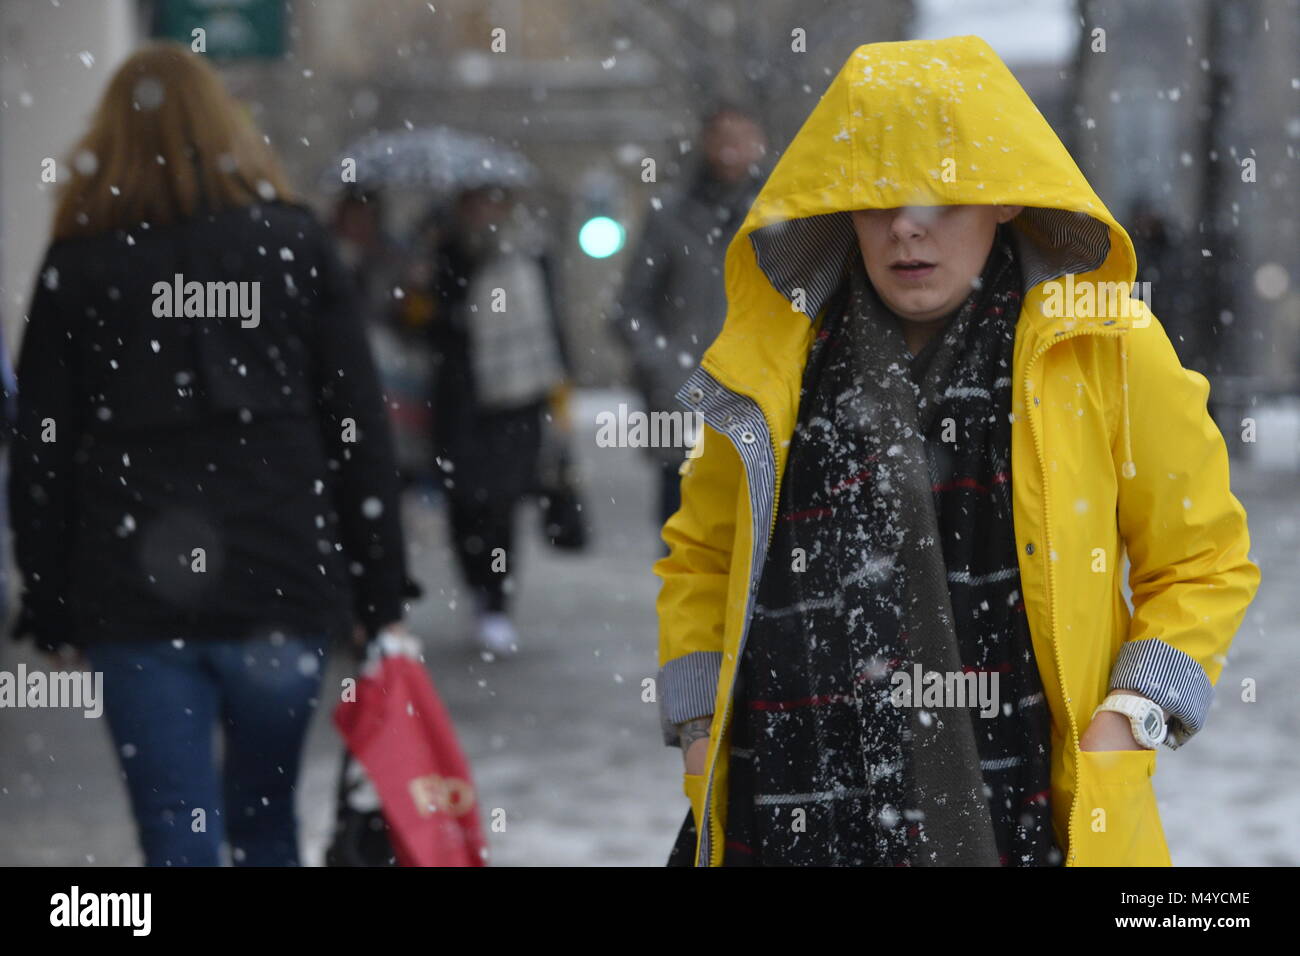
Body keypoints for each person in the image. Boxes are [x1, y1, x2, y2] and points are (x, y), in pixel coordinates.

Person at [655, 36, 1260, 867]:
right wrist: (696, 730)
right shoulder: (774, 359)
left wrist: (1133, 716)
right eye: (877, 202)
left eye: (941, 198)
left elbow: (1202, 558)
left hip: (1023, 814)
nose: (907, 228)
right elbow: (702, 556)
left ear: (1006, 200)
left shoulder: (1107, 344)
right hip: (787, 802)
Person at [9, 42, 416, 866]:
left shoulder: (79, 266)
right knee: (266, 828)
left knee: (174, 835)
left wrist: (49, 598)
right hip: (280, 581)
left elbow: (41, 450)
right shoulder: (295, 247)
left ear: (109, 142)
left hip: (132, 593)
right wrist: (379, 584)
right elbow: (357, 430)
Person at [427, 185, 572, 656]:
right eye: (473, 200)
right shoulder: (443, 254)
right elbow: (426, 325)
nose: (483, 210)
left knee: (502, 506)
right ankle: (476, 588)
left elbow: (552, 327)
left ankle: (496, 603)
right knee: (463, 505)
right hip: (457, 401)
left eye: (492, 200)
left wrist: (561, 395)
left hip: (517, 398)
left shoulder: (530, 255)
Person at [614, 103, 767, 530]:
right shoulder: (670, 215)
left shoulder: (780, 213)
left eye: (742, 138)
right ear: (705, 144)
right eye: (723, 138)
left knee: (754, 536)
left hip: (761, 395)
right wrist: (661, 363)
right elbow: (630, 307)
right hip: (683, 400)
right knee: (682, 535)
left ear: (759, 144)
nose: (732, 151)